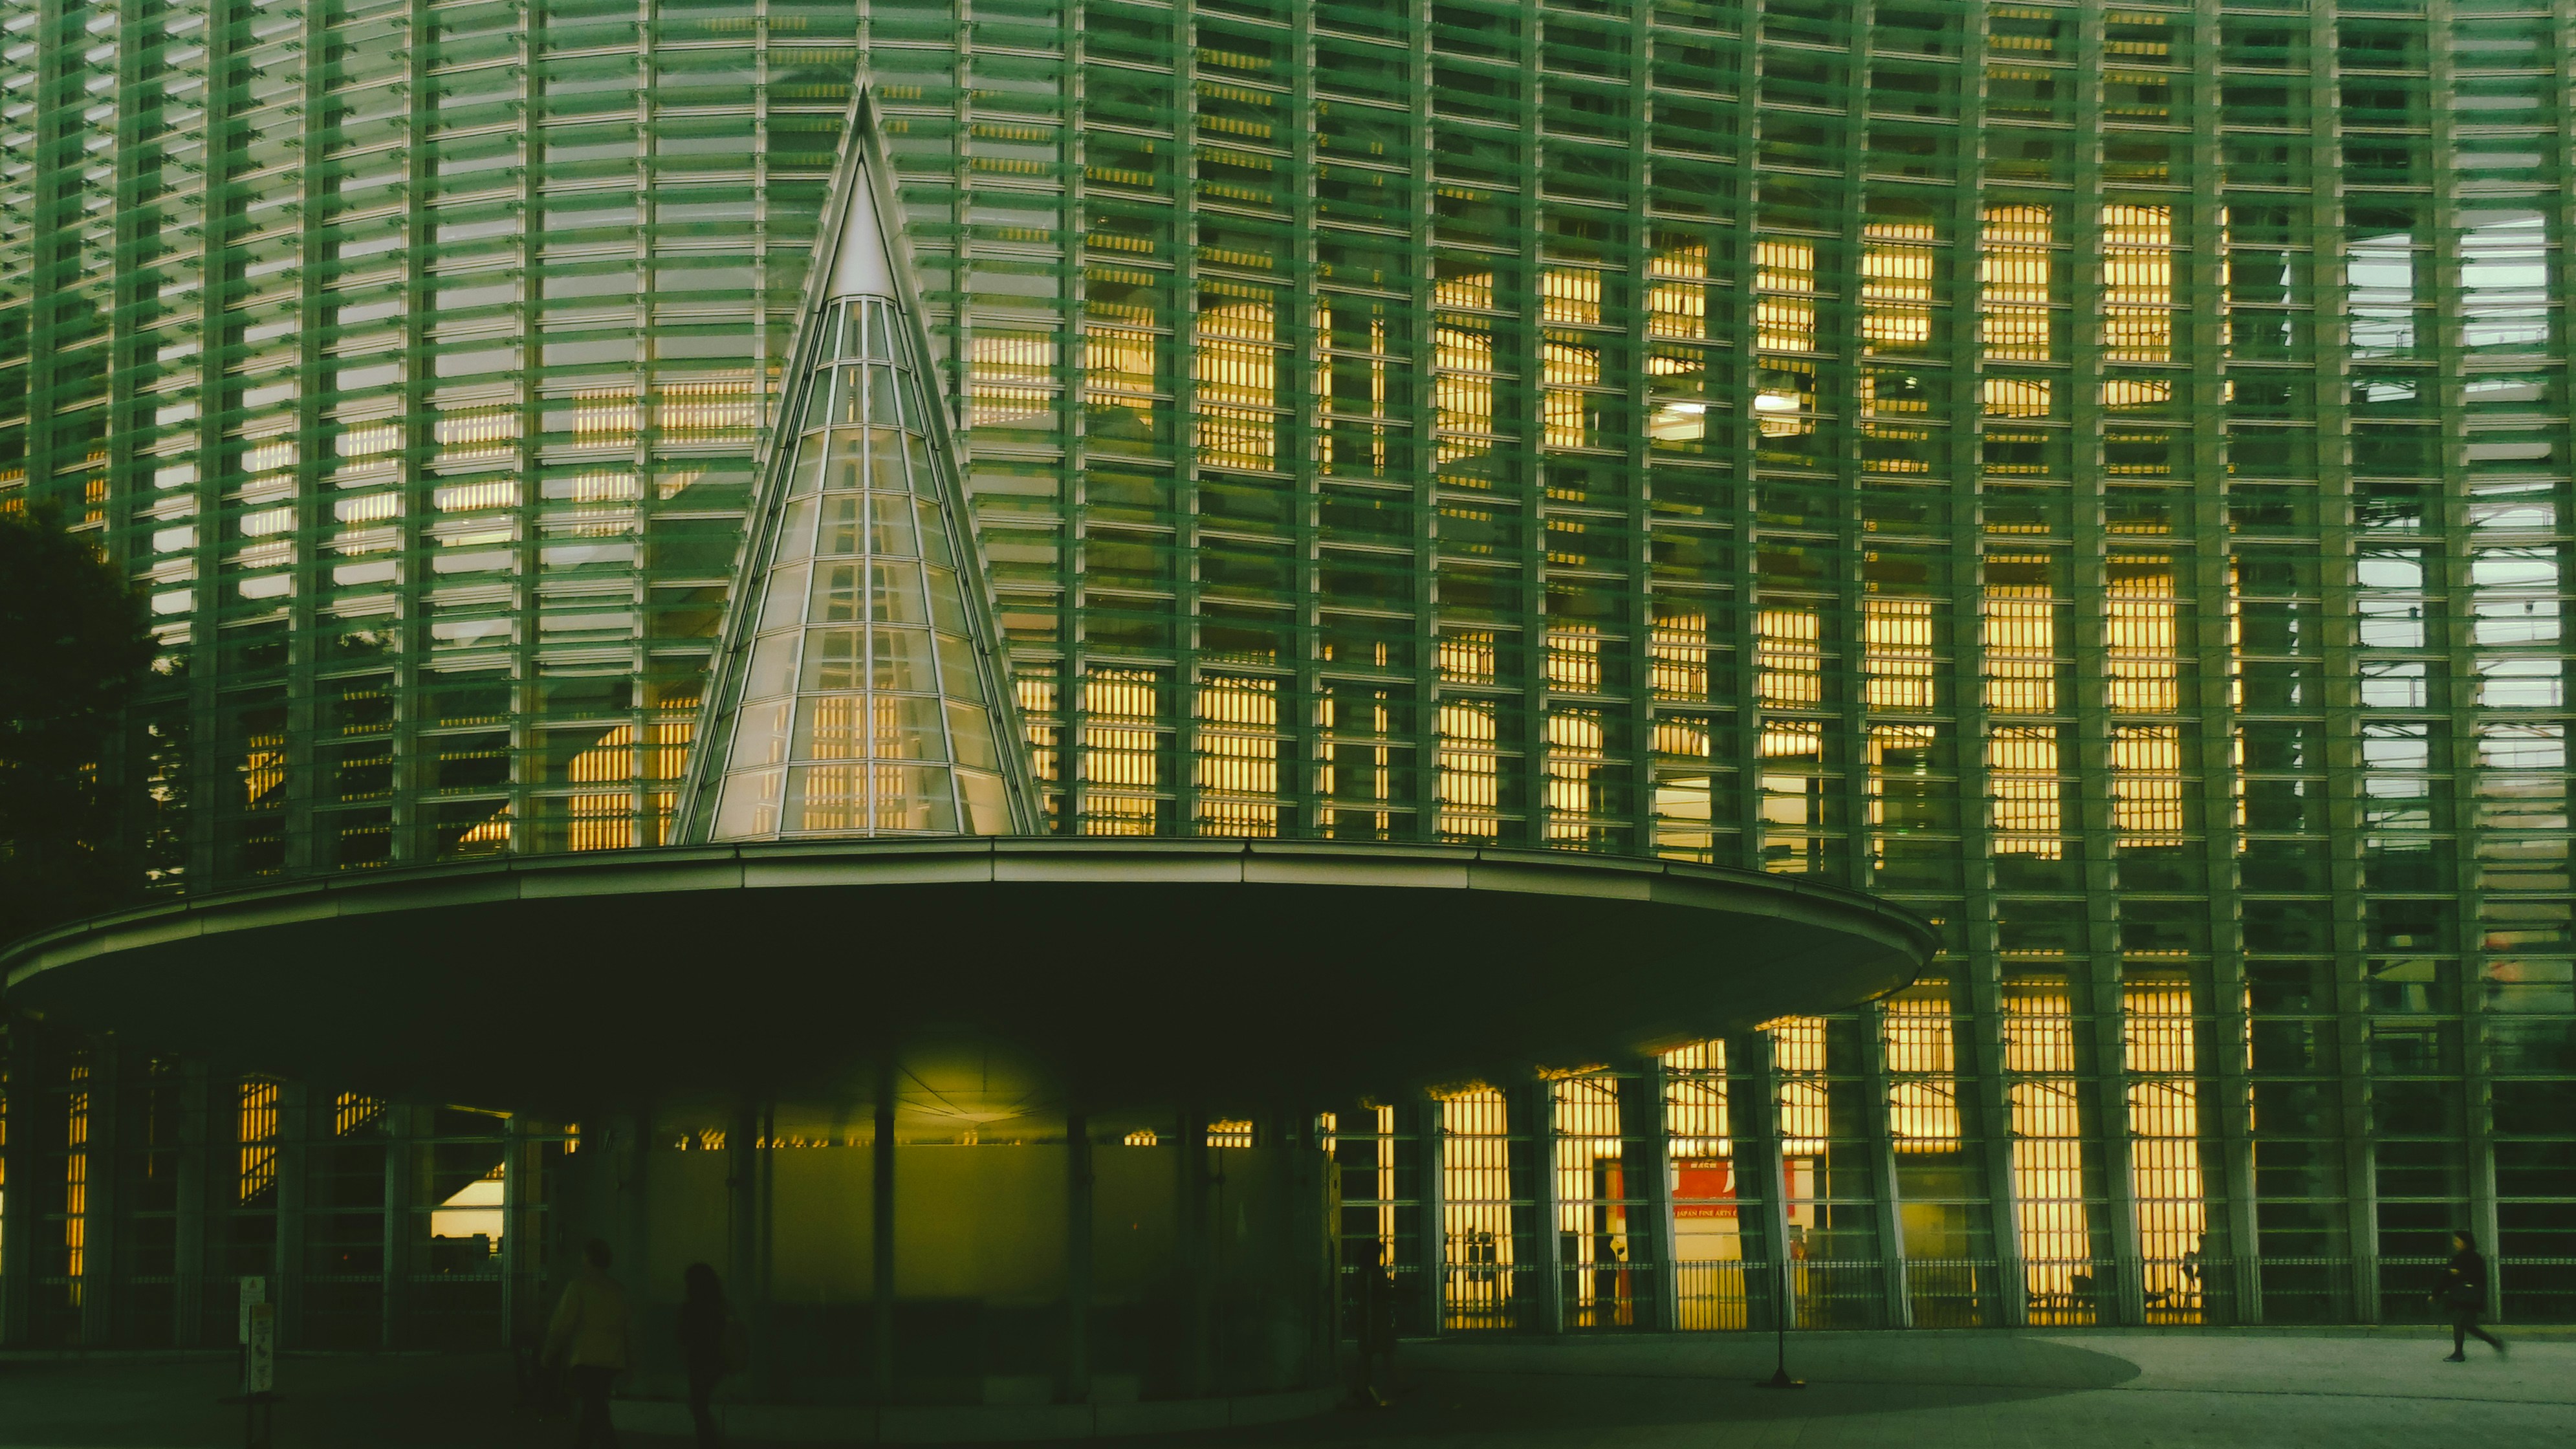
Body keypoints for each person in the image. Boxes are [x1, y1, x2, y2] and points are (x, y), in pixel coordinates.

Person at [545, 1238, 632, 1448]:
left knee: (595, 1409)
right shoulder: (619, 1291)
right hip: (613, 1358)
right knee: (594, 1406)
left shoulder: (578, 1287)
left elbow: (563, 1323)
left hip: (586, 1357)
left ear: (587, 1258)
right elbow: (629, 1328)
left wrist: (549, 1350)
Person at [678, 1263, 738, 1448]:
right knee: (700, 1407)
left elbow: (682, 1337)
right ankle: (711, 1442)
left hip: (698, 1363)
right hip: (719, 1363)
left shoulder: (690, 1308)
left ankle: (709, 1443)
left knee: (699, 1407)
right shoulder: (721, 1306)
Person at [2432, 1229, 2506, 1361]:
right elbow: (2447, 1277)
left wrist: (2458, 1275)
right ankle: (2496, 1343)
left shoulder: (2468, 1258)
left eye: (2457, 1241)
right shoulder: (2469, 1258)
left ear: (2465, 1242)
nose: (2455, 1244)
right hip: (2469, 1298)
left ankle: (2458, 1353)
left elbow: (2451, 1278)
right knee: (2468, 1325)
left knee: (2459, 1323)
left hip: (2465, 1298)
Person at [1353, 1243, 1398, 1408]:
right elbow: (1381, 1292)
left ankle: (1364, 1386)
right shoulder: (1373, 1273)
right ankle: (1387, 1386)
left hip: (1369, 1317)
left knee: (1368, 1354)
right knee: (1383, 1351)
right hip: (1376, 1317)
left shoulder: (1363, 1273)